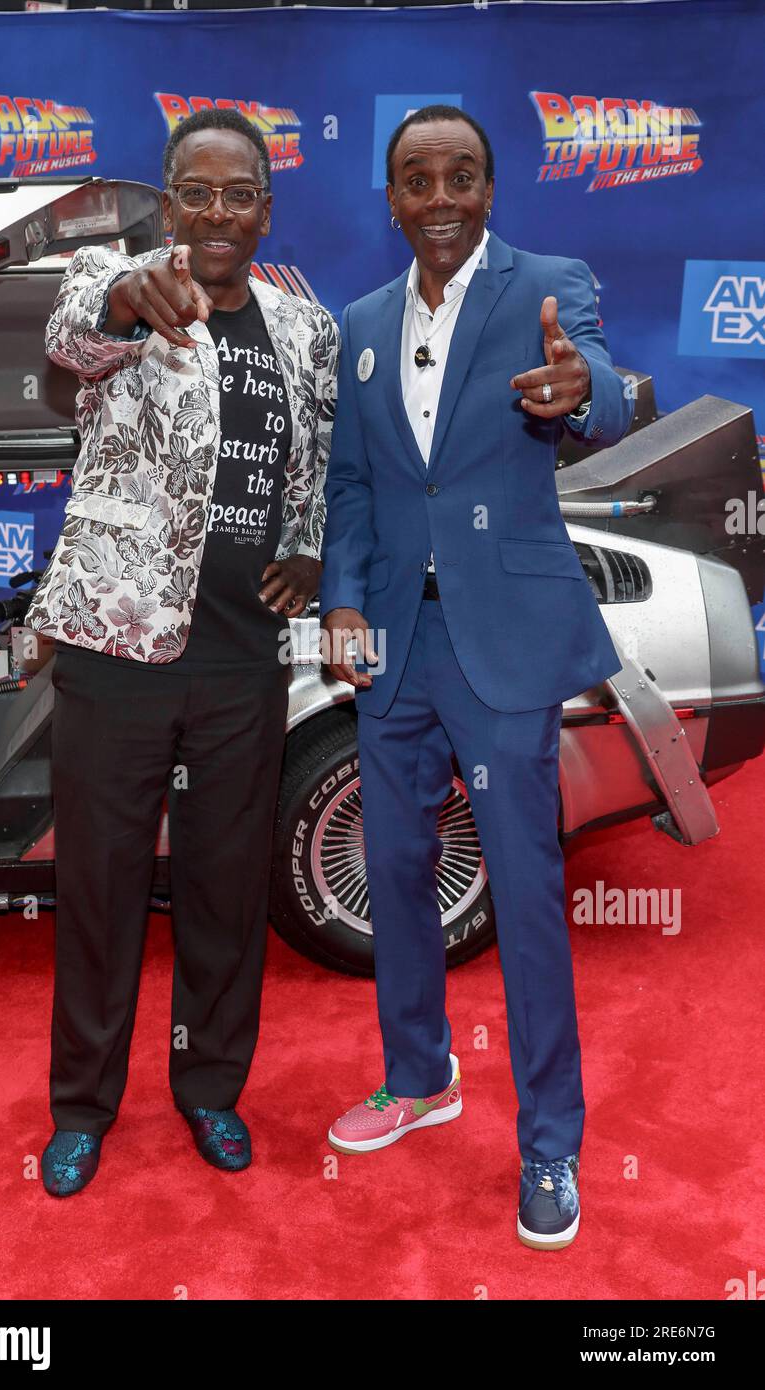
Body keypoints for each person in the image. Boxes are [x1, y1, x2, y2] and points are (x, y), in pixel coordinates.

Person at [319, 105, 633, 1250]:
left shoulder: (546, 282)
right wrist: (341, 599)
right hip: (393, 643)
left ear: (489, 191)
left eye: (460, 176)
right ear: (390, 198)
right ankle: (420, 1074)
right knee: (392, 863)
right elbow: (352, 487)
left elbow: (597, 381)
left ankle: (549, 1140)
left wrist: (578, 390)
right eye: (415, 179)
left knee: (523, 887)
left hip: (500, 642)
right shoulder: (357, 325)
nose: (439, 196)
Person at [24, 108, 339, 1195]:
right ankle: (82, 1106)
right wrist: (122, 294)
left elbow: (318, 461)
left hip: (242, 661)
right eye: (193, 193)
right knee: (102, 884)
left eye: (235, 194)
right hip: (117, 646)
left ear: (265, 208)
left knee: (221, 882)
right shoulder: (110, 278)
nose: (214, 213)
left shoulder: (304, 326)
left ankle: (209, 1088)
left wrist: (308, 551)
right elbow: (75, 340)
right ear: (166, 202)